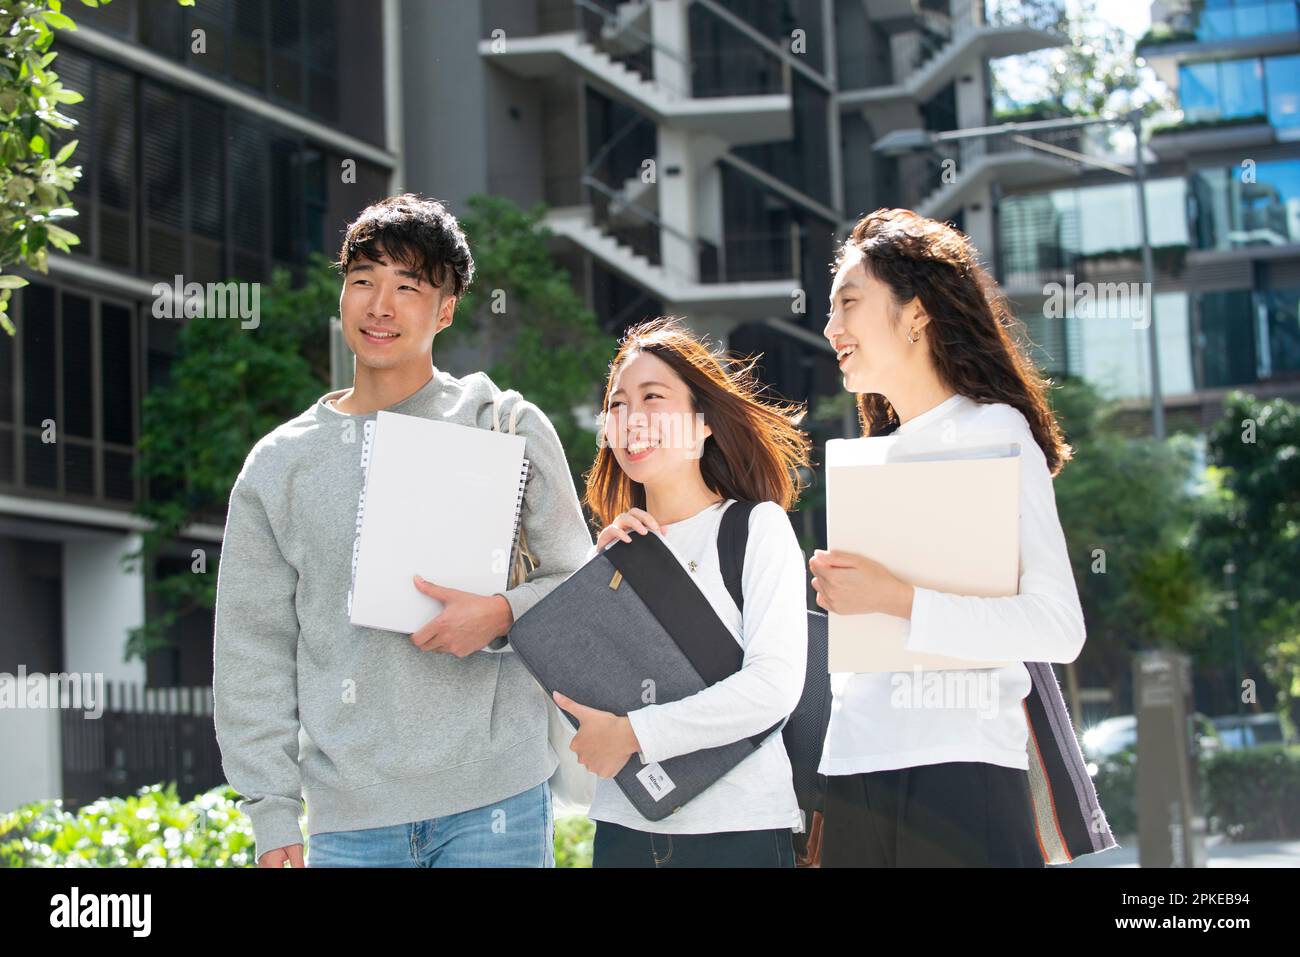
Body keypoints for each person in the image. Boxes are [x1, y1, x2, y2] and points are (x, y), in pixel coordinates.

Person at [212, 194, 593, 868]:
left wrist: (503, 611)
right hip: (350, 821)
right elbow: (253, 651)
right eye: (362, 281)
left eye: (407, 286)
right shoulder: (280, 465)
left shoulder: (501, 422)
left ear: (445, 309)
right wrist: (272, 812)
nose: (379, 304)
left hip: (495, 800)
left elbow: (581, 585)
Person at [811, 208, 1086, 867]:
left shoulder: (994, 430)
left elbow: (1058, 627)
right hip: (855, 775)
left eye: (849, 303)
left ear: (916, 312)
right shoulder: (871, 457)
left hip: (960, 775)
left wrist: (896, 597)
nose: (831, 329)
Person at [553, 316, 813, 868]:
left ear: (702, 425)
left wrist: (634, 734)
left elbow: (774, 687)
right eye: (617, 404)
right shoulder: (610, 554)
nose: (630, 418)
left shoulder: (755, 528)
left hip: (738, 832)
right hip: (624, 830)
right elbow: (585, 703)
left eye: (653, 397)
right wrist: (597, 585)